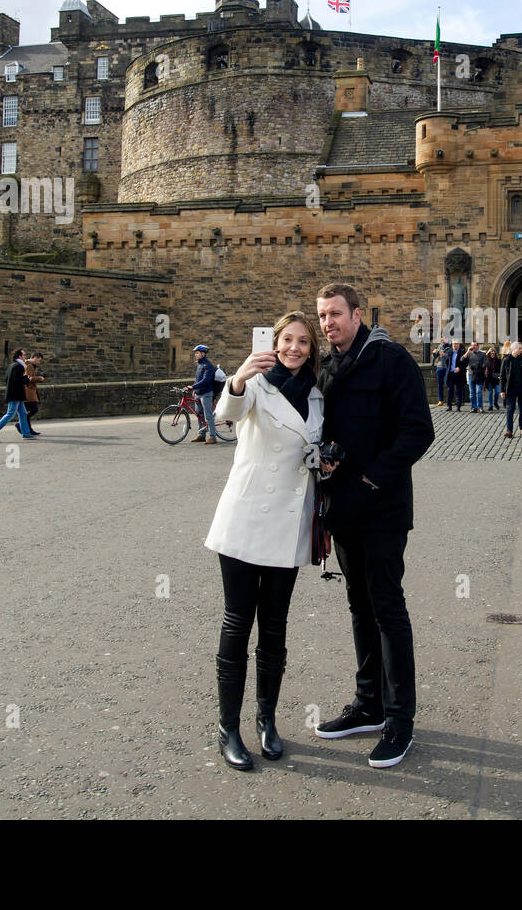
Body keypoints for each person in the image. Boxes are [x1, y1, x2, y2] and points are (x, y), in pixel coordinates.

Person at [314, 283, 434, 768]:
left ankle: (400, 720)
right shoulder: (328, 365)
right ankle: (369, 704)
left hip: (383, 509)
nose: (327, 324)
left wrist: (371, 477)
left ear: (357, 314)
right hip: (343, 510)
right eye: (322, 316)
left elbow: (418, 431)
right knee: (359, 606)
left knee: (387, 608)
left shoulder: (391, 360)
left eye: (335, 314)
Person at [204, 312, 325, 771]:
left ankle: (266, 721)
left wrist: (325, 460)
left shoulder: (317, 394)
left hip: (287, 525)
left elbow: (314, 445)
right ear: (274, 344)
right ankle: (228, 728)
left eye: (302, 342)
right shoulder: (254, 382)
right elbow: (225, 416)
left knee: (274, 628)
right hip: (246, 517)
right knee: (238, 621)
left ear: (311, 349)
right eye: (286, 340)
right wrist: (235, 381)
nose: (294, 348)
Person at [0, 349, 35, 441]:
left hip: (15, 394)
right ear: (19, 356)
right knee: (10, 414)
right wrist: (27, 379)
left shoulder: (11, 365)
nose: (25, 357)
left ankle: (26, 433)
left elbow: (7, 379)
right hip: (15, 394)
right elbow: (18, 380)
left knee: (23, 413)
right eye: (24, 355)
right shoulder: (19, 367)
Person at [498, 341, 522, 437]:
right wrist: (502, 390)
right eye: (520, 348)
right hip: (510, 388)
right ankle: (509, 430)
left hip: (521, 387)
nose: (521, 350)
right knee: (510, 408)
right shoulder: (507, 360)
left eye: (521, 348)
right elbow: (502, 376)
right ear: (514, 349)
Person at [190, 345, 220, 445]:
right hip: (198, 393)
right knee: (199, 414)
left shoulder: (208, 365)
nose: (196, 354)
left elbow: (206, 380)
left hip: (206, 393)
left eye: (197, 353)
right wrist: (195, 389)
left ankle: (212, 437)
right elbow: (198, 378)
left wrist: (193, 387)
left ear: (203, 354)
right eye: (195, 353)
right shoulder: (199, 365)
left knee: (208, 415)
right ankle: (201, 435)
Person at [24, 351, 46, 435]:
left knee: (28, 411)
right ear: (35, 358)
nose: (39, 362)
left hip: (30, 391)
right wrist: (39, 378)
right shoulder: (29, 366)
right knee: (34, 409)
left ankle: (29, 429)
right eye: (38, 360)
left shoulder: (30, 365)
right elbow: (29, 378)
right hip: (28, 391)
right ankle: (21, 424)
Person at [465, 341, 488, 413]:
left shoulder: (482, 354)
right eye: (472, 345)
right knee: (472, 392)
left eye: (475, 345)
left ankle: (480, 407)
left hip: (479, 375)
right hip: (471, 374)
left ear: (478, 346)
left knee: (478, 391)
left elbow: (486, 363)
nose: (473, 347)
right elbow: (462, 360)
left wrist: (481, 366)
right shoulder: (469, 353)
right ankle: (473, 407)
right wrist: (468, 351)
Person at [444, 339, 466, 410]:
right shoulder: (449, 351)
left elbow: (465, 363)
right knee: (450, 390)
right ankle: (449, 406)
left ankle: (458, 407)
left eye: (456, 344)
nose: (454, 345)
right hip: (451, 374)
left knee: (458, 390)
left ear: (459, 344)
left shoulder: (462, 352)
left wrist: (459, 368)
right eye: (453, 344)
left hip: (459, 374)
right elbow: (446, 361)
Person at [433, 338, 450, 406]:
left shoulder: (450, 347)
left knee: (448, 383)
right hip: (439, 367)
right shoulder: (439, 346)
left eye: (445, 339)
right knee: (440, 384)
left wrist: (444, 354)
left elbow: (449, 357)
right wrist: (434, 353)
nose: (443, 340)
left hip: (447, 368)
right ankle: (440, 400)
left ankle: (450, 400)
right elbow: (435, 356)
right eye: (442, 339)